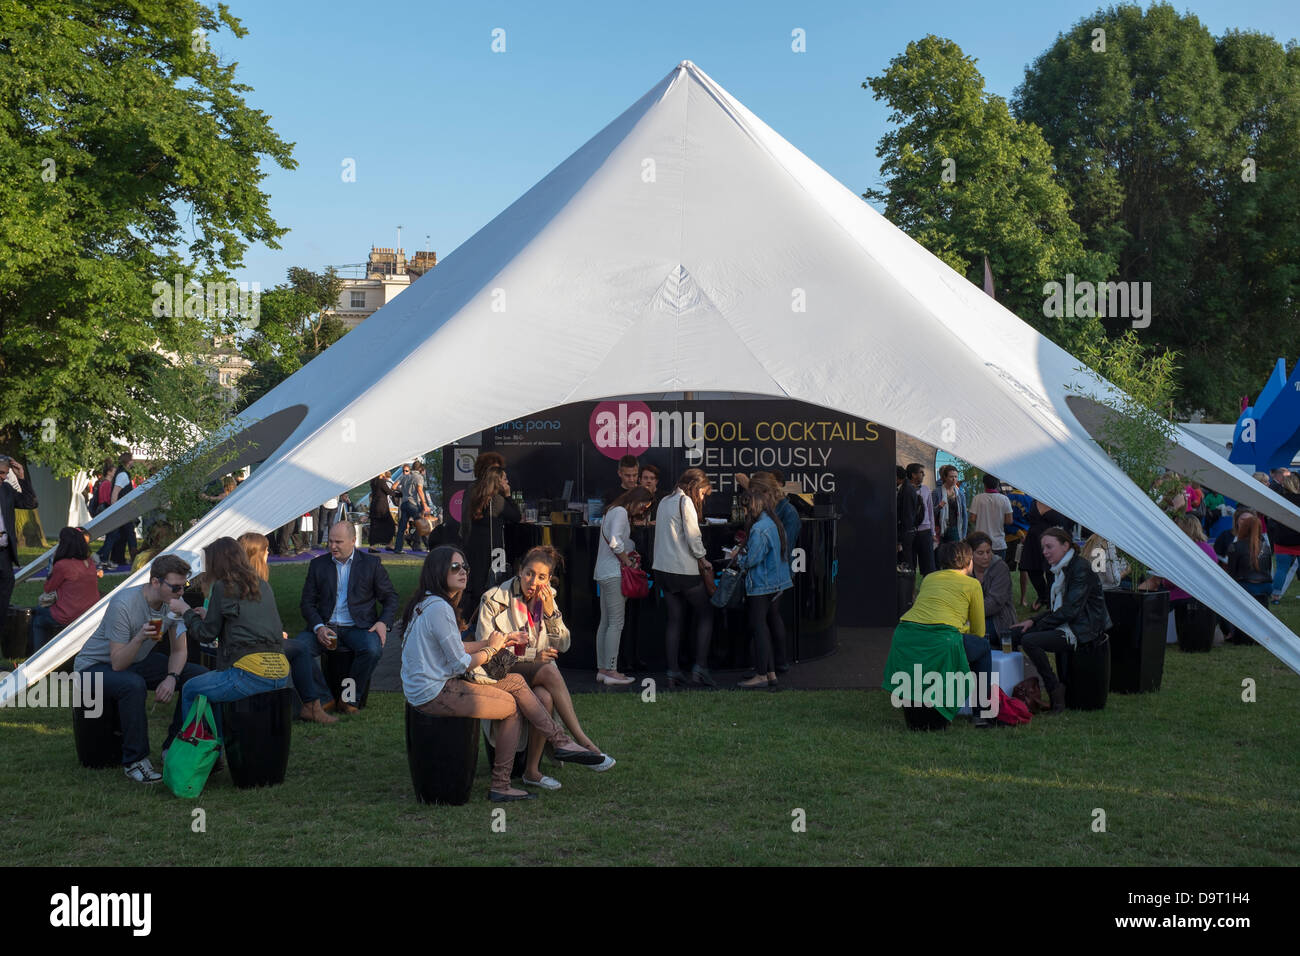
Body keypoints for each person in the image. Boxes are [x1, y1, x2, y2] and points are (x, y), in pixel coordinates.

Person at [402, 546, 605, 802]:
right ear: (437, 570)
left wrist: (502, 640)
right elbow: (460, 663)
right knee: (511, 705)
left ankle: (560, 742)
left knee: (518, 682)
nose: (463, 572)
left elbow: (458, 647)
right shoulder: (441, 608)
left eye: (465, 567)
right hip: (434, 691)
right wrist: (492, 649)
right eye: (455, 567)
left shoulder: (430, 602)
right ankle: (502, 784)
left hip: (433, 686)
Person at [477, 546, 615, 787]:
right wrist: (534, 656)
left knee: (544, 696)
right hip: (498, 672)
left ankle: (532, 772)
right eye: (529, 573)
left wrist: (551, 613)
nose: (534, 581)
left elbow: (563, 645)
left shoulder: (546, 598)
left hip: (532, 677)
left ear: (548, 578)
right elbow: (489, 655)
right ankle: (583, 743)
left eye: (541, 577)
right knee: (549, 669)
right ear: (520, 570)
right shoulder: (493, 599)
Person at [73, 554, 208, 783]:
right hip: (94, 667)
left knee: (199, 677)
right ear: (155, 582)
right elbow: (117, 663)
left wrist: (172, 678)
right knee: (132, 685)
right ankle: (136, 761)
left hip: (137, 661)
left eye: (183, 586)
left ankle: (173, 747)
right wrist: (138, 638)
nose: (181, 593)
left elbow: (179, 651)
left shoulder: (172, 607)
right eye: (175, 587)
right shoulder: (124, 603)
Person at [170, 537, 291, 745]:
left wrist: (186, 611)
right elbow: (244, 623)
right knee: (212, 687)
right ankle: (217, 746)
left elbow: (206, 635)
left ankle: (204, 752)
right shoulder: (261, 584)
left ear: (216, 563)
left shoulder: (222, 586)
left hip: (250, 673)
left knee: (191, 689)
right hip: (280, 671)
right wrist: (210, 613)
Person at [287, 521, 398, 715]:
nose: (332, 546)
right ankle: (324, 698)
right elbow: (307, 603)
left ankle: (349, 699)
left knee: (372, 649)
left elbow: (390, 598)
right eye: (330, 541)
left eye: (338, 542)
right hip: (326, 626)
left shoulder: (371, 564)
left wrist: (383, 622)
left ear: (353, 541)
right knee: (296, 649)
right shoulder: (318, 565)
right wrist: (319, 627)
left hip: (359, 627)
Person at [882, 540, 994, 727]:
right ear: (969, 561)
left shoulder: (929, 578)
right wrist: (962, 628)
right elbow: (979, 631)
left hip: (906, 634)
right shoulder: (972, 584)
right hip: (943, 638)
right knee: (983, 648)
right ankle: (980, 713)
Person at [1008, 528, 1110, 714]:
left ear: (1065, 546)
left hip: (1082, 629)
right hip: (1069, 622)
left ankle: (1054, 690)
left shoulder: (1080, 568)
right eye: (1043, 547)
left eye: (1049, 547)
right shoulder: (1061, 568)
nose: (1045, 552)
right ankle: (1015, 691)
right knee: (1011, 635)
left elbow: (1069, 611)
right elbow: (1058, 609)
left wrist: (1038, 626)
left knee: (1030, 640)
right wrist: (1032, 620)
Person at [239, 532, 336, 724]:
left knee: (299, 647)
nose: (268, 555)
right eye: (266, 551)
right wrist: (274, 633)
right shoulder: (250, 585)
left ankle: (315, 702)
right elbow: (245, 622)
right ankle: (313, 705)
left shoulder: (250, 582)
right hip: (252, 645)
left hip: (260, 639)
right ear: (258, 555)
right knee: (300, 648)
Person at [652, 468, 716, 687]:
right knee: (706, 614)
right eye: (702, 493)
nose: (701, 498)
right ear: (695, 487)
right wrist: (703, 559)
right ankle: (700, 668)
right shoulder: (685, 502)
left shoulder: (664, 501)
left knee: (674, 620)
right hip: (684, 571)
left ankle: (673, 672)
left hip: (662, 570)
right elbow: (693, 536)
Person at [735, 479, 793, 690]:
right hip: (777, 583)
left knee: (759, 627)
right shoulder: (774, 522)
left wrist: (737, 557)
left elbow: (752, 560)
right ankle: (770, 673)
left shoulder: (759, 529)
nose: (744, 512)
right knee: (765, 626)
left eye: (745, 507)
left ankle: (761, 674)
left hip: (761, 584)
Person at [594, 486, 652, 685]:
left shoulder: (611, 511)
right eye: (644, 505)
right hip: (614, 573)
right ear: (636, 500)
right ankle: (612, 670)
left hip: (604, 572)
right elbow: (615, 542)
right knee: (616, 623)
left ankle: (603, 669)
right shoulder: (620, 512)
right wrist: (628, 561)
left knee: (606, 622)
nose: (643, 510)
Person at [459, 458, 520, 609]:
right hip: (493, 550)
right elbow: (516, 516)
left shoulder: (472, 491)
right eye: (505, 479)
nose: (507, 482)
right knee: (491, 584)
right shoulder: (497, 500)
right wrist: (507, 495)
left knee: (473, 583)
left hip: (472, 545)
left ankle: (471, 619)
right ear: (497, 481)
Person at [30, 526, 101, 652]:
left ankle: (38, 656)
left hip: (68, 615)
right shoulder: (89, 562)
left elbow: (48, 588)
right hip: (88, 613)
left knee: (38, 618)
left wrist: (53, 564)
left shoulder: (62, 565)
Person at [0, 455, 38, 625]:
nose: (3, 476)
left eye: (6, 473)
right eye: (1, 472)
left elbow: (30, 503)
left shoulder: (6, 489)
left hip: (4, 553)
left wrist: (21, 477)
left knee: (5, 592)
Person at [1224, 511, 1272, 644]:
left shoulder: (1235, 547)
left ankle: (1230, 632)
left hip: (1246, 586)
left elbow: (1232, 574)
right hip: (1265, 586)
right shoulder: (1266, 547)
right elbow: (1268, 569)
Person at [1018, 499, 1072, 610]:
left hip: (1052, 543)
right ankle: (1044, 597)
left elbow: (1067, 525)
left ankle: (1051, 603)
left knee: (1051, 573)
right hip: (1033, 542)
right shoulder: (1034, 500)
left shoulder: (1061, 502)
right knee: (1031, 570)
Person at [966, 531, 1014, 642]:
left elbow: (994, 603)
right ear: (970, 554)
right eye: (980, 553)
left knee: (969, 634)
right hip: (971, 616)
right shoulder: (966, 569)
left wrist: (966, 613)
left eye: (988, 552)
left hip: (998, 619)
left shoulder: (1000, 568)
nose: (986, 557)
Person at [96, 451, 136, 567]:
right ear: (128, 461)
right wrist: (115, 510)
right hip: (122, 511)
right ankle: (101, 556)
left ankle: (115, 558)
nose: (133, 462)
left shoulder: (121, 474)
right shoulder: (123, 475)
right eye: (132, 460)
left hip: (122, 510)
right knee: (125, 534)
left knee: (119, 535)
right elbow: (115, 493)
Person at [1269, 473, 1300, 603]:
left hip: (1282, 538)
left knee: (1281, 569)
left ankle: (1275, 597)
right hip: (1298, 538)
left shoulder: (1279, 498)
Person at [968, 474, 1014, 560]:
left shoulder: (977, 498)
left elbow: (972, 518)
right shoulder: (1004, 499)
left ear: (984, 484)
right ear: (997, 484)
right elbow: (1009, 521)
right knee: (998, 570)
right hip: (998, 543)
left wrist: (982, 519)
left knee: (980, 571)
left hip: (980, 542)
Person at [393, 460, 430, 554]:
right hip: (412, 504)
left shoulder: (405, 476)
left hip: (404, 503)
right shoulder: (419, 477)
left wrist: (403, 491)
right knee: (421, 524)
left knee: (401, 528)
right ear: (420, 468)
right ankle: (429, 547)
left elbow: (393, 487)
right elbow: (419, 490)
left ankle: (398, 548)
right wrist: (425, 504)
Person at [905, 463, 937, 575]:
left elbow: (930, 511)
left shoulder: (926, 489)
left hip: (925, 531)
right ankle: (911, 591)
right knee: (910, 567)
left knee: (929, 567)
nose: (923, 475)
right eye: (921, 473)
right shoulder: (904, 490)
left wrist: (932, 532)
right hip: (909, 532)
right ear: (913, 475)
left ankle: (928, 590)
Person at [932, 465, 968, 544]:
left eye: (956, 476)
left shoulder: (960, 494)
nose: (954, 479)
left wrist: (964, 533)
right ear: (945, 477)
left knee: (953, 554)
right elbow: (930, 513)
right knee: (940, 554)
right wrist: (939, 507)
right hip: (940, 530)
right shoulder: (937, 492)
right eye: (951, 476)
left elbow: (964, 514)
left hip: (955, 529)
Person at [367, 470, 398, 552]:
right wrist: (399, 494)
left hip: (374, 506)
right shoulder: (381, 482)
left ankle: (372, 546)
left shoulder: (373, 481)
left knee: (374, 526)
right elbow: (389, 492)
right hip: (382, 507)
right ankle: (389, 544)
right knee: (391, 524)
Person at [896, 466, 919, 565]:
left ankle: (907, 578)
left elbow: (907, 514)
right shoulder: (906, 488)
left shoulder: (906, 490)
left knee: (906, 559)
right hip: (907, 530)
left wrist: (900, 539)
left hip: (906, 531)